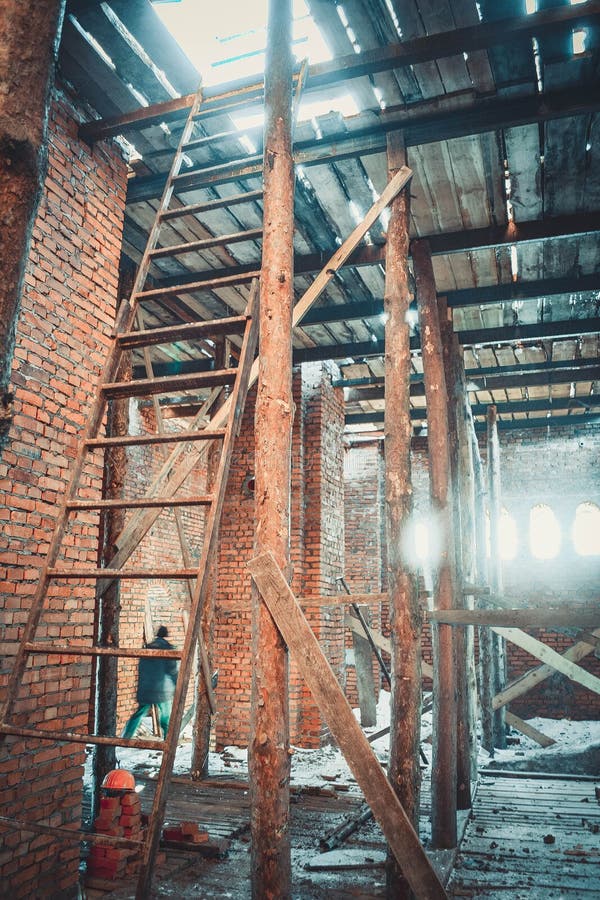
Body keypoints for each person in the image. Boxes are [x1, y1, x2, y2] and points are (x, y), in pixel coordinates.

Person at [122, 625, 178, 739]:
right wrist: (177, 685)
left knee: (139, 714)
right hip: (162, 690)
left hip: (146, 688)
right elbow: (172, 671)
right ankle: (168, 740)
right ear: (166, 635)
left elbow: (142, 669)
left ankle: (126, 737)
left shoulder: (147, 648)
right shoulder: (168, 650)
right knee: (166, 718)